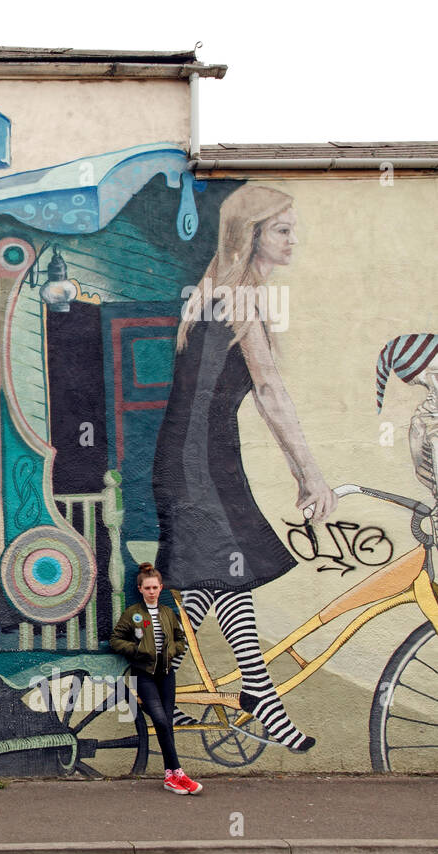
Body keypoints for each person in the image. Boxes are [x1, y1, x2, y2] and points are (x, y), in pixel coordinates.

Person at [153, 184, 335, 751]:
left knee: (226, 575)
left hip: (199, 454)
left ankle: (162, 682)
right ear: (250, 235)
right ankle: (256, 697)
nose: (293, 239)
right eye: (281, 229)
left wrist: (300, 470)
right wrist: (311, 473)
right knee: (227, 571)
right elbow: (270, 391)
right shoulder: (238, 297)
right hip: (197, 460)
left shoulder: (214, 289)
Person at [110, 563, 200, 794]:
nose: (151, 591)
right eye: (147, 587)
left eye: (155, 587)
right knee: (160, 720)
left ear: (161, 588)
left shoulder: (168, 613)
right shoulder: (133, 613)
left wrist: (173, 650)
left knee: (167, 723)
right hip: (144, 675)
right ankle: (179, 772)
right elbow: (116, 640)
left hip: (166, 674)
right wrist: (139, 650)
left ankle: (169, 778)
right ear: (140, 589)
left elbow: (182, 639)